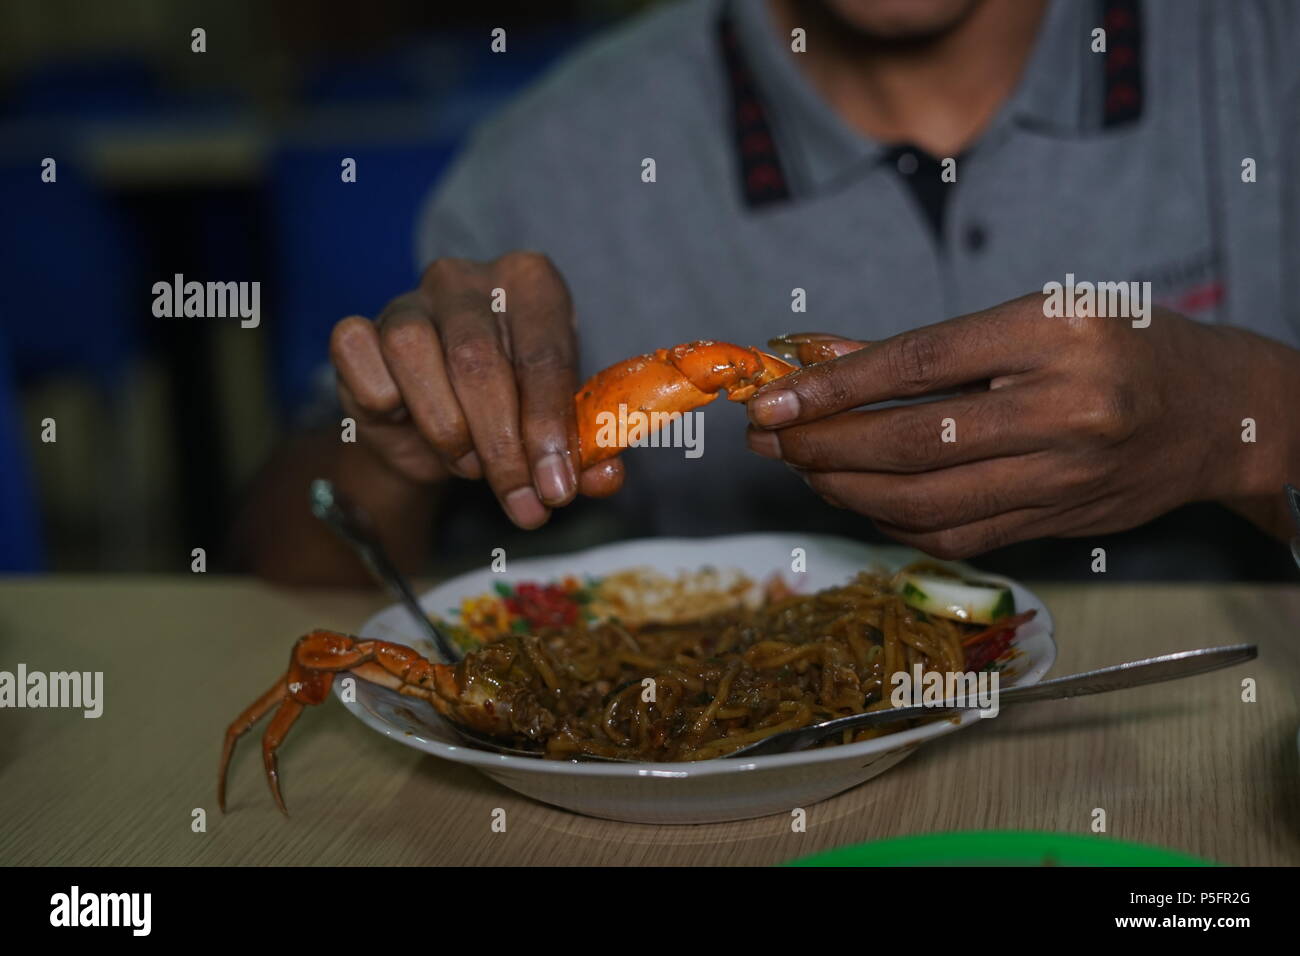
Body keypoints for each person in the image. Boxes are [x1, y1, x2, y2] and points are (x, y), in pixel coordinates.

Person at [234, 0, 1300, 585]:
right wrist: (394, 453)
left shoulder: (1267, 62)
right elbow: (283, 571)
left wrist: (1249, 425)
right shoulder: (556, 156)